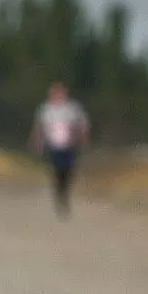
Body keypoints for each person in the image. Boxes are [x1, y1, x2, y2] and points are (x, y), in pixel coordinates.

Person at [30, 82, 90, 216]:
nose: (56, 95)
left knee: (68, 171)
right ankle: (59, 193)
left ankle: (63, 191)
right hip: (53, 145)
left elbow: (83, 124)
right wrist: (36, 141)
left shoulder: (72, 108)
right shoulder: (45, 110)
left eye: (59, 92)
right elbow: (39, 127)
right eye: (53, 93)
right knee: (57, 170)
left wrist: (83, 138)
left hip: (69, 144)